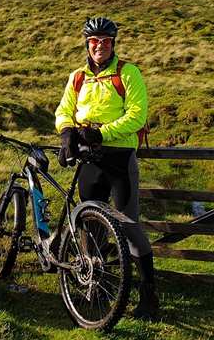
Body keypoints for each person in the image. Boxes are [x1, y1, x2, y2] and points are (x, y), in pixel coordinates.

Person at [54, 16, 159, 320]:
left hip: (119, 158)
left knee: (128, 225)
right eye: (94, 42)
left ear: (113, 44)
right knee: (90, 224)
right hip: (90, 159)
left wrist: (102, 133)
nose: (100, 46)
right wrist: (66, 132)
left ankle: (149, 295)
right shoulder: (77, 77)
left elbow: (138, 115)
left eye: (106, 41)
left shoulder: (128, 74)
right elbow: (64, 110)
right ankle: (95, 288)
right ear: (87, 44)